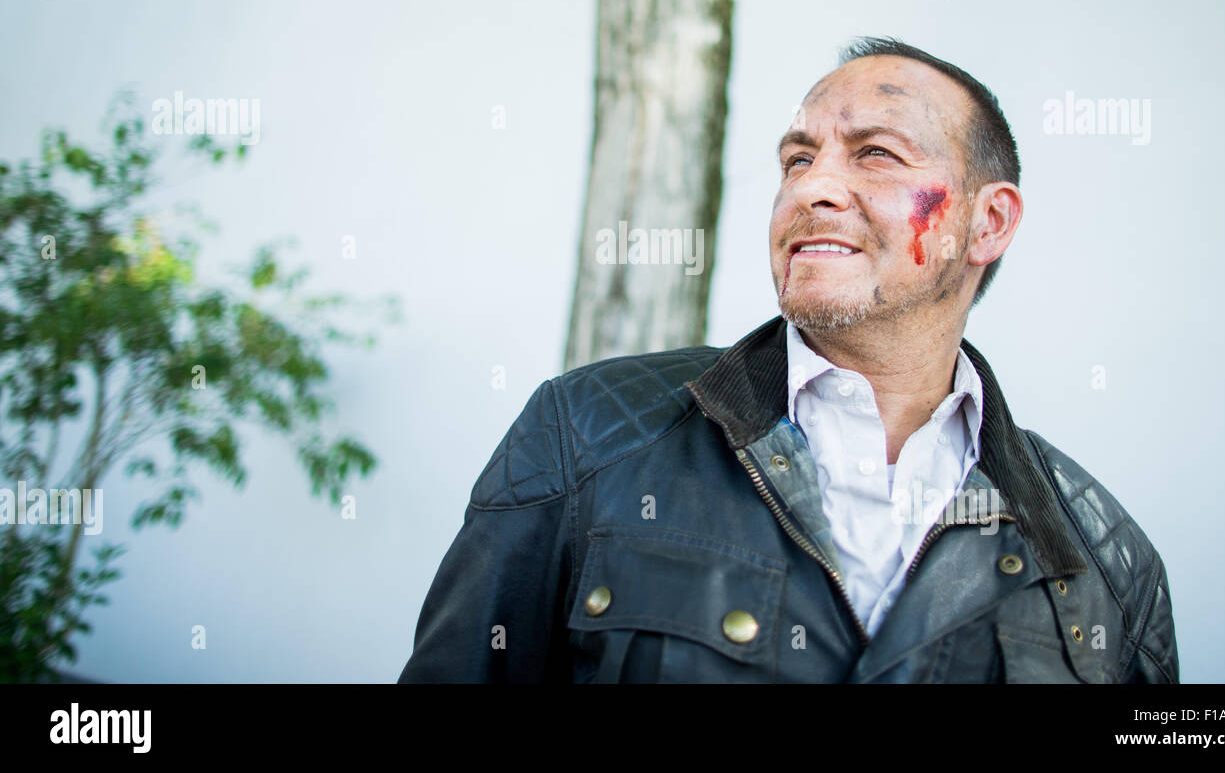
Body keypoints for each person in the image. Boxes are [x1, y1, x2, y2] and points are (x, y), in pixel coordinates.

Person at [397, 36, 1179, 683]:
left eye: (876, 154)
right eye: (798, 160)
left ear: (988, 222)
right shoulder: (587, 433)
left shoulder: (1105, 563)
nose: (814, 188)